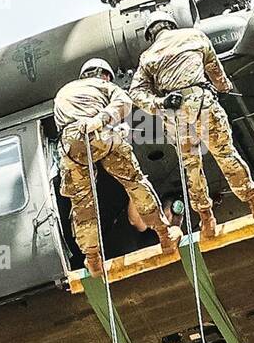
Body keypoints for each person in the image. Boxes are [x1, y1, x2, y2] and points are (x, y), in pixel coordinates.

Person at [129, 15, 254, 239]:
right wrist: (223, 87)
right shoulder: (195, 36)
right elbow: (216, 73)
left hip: (175, 115)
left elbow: (136, 93)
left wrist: (160, 103)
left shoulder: (148, 56)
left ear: (151, 34)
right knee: (226, 156)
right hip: (203, 105)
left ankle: (207, 221)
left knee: (191, 168)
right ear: (171, 25)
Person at [55, 58, 179, 275]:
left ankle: (92, 259)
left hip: (70, 144)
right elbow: (124, 103)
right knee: (134, 182)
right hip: (98, 133)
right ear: (104, 75)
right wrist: (104, 120)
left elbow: (62, 124)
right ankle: (164, 234)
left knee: (82, 204)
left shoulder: (65, 91)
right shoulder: (104, 85)